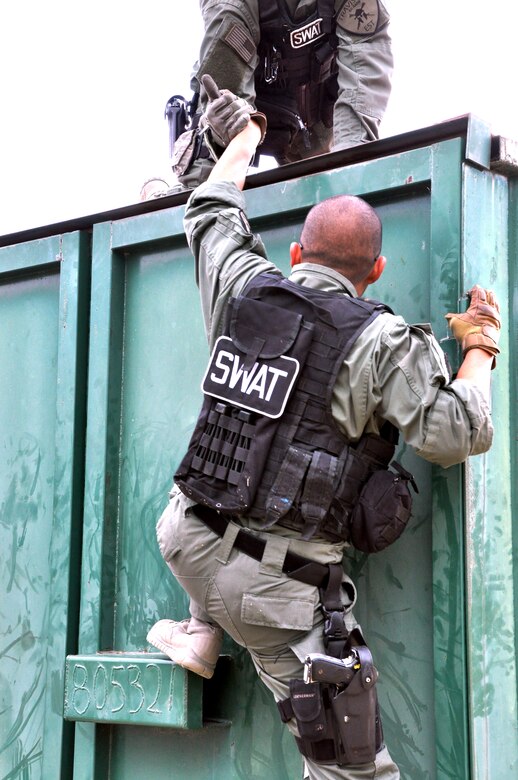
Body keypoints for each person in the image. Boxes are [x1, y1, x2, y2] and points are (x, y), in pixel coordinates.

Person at [147, 82, 501, 779]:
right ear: (377, 270)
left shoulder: (247, 286)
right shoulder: (383, 339)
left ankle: (198, 632)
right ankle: (219, 637)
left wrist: (245, 137)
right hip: (275, 591)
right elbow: (456, 433)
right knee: (353, 770)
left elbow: (211, 208)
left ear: (298, 255)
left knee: (241, 458)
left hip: (184, 542)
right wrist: (482, 348)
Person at [170, 0, 394, 189]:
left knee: (338, 202)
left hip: (312, 121)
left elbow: (364, 64)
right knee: (208, 196)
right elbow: (229, 78)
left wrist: (349, 164)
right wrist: (231, 132)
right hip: (240, 114)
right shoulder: (230, 5)